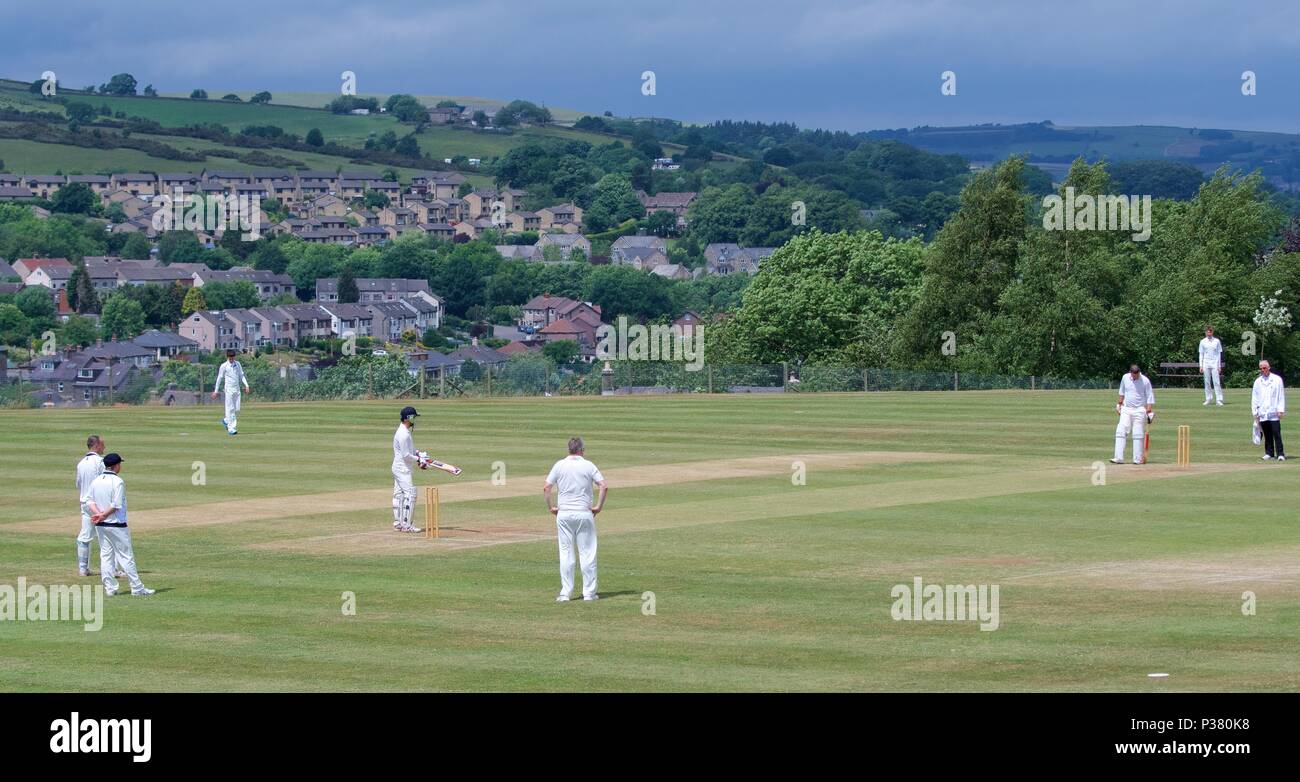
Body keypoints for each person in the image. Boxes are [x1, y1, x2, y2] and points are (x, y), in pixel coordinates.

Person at [543, 437, 608, 602]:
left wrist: (551, 507)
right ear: (582, 450)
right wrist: (598, 506)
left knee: (566, 554)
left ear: (569, 449)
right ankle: (589, 594)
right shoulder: (588, 465)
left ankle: (565, 593)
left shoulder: (559, 465)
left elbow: (547, 487)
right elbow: (603, 485)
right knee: (587, 554)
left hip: (564, 514)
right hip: (583, 513)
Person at [86, 453, 154, 596]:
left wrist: (98, 515)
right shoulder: (118, 482)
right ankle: (137, 588)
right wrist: (103, 515)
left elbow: (90, 502)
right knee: (126, 556)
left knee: (106, 556)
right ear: (116, 466)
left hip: (101, 525)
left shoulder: (96, 481)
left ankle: (110, 589)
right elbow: (116, 505)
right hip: (116, 524)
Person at [1111, 364, 1155, 465]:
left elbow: (1149, 396)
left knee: (1137, 433)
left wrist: (1149, 411)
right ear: (1131, 373)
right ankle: (1118, 457)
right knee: (1121, 430)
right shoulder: (1125, 377)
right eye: (1134, 375)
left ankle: (1137, 459)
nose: (1135, 376)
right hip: (1126, 408)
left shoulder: (1145, 380)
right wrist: (1119, 404)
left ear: (1139, 372)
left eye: (1137, 374)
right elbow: (1122, 391)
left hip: (1139, 410)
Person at [75, 435, 105, 577]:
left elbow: (78, 484)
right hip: (97, 504)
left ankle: (82, 568)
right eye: (102, 444)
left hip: (85, 503)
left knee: (85, 535)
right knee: (107, 536)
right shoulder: (100, 462)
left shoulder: (81, 463)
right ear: (96, 445)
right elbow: (104, 483)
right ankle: (110, 569)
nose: (104, 447)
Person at [1252, 360, 1286, 461]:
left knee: (1276, 433)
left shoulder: (1277, 379)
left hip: (1274, 411)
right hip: (1262, 411)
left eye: (1264, 368)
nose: (1262, 370)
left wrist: (1280, 410)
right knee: (1267, 434)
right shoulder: (1258, 381)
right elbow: (1255, 398)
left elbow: (1281, 395)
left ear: (1268, 368)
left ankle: (1280, 453)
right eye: (1261, 368)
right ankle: (1269, 453)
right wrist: (1255, 412)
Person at [210, 348, 250, 436]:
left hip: (237, 389)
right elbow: (219, 378)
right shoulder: (224, 366)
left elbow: (241, 375)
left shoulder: (238, 364)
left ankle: (226, 420)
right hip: (228, 389)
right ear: (227, 357)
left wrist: (247, 385)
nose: (232, 359)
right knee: (230, 408)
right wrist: (216, 391)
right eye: (230, 358)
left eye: (233, 357)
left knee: (236, 408)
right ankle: (232, 428)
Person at [1199, 326, 1224, 406]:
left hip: (1214, 363)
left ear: (1212, 332)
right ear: (1205, 332)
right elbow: (1201, 354)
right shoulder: (1202, 341)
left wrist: (1219, 366)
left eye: (1210, 332)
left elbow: (1219, 354)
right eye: (1207, 332)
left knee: (1216, 382)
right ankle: (1208, 399)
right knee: (1207, 382)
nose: (1209, 333)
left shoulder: (1217, 341)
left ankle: (1219, 400)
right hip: (1206, 363)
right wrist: (1201, 366)